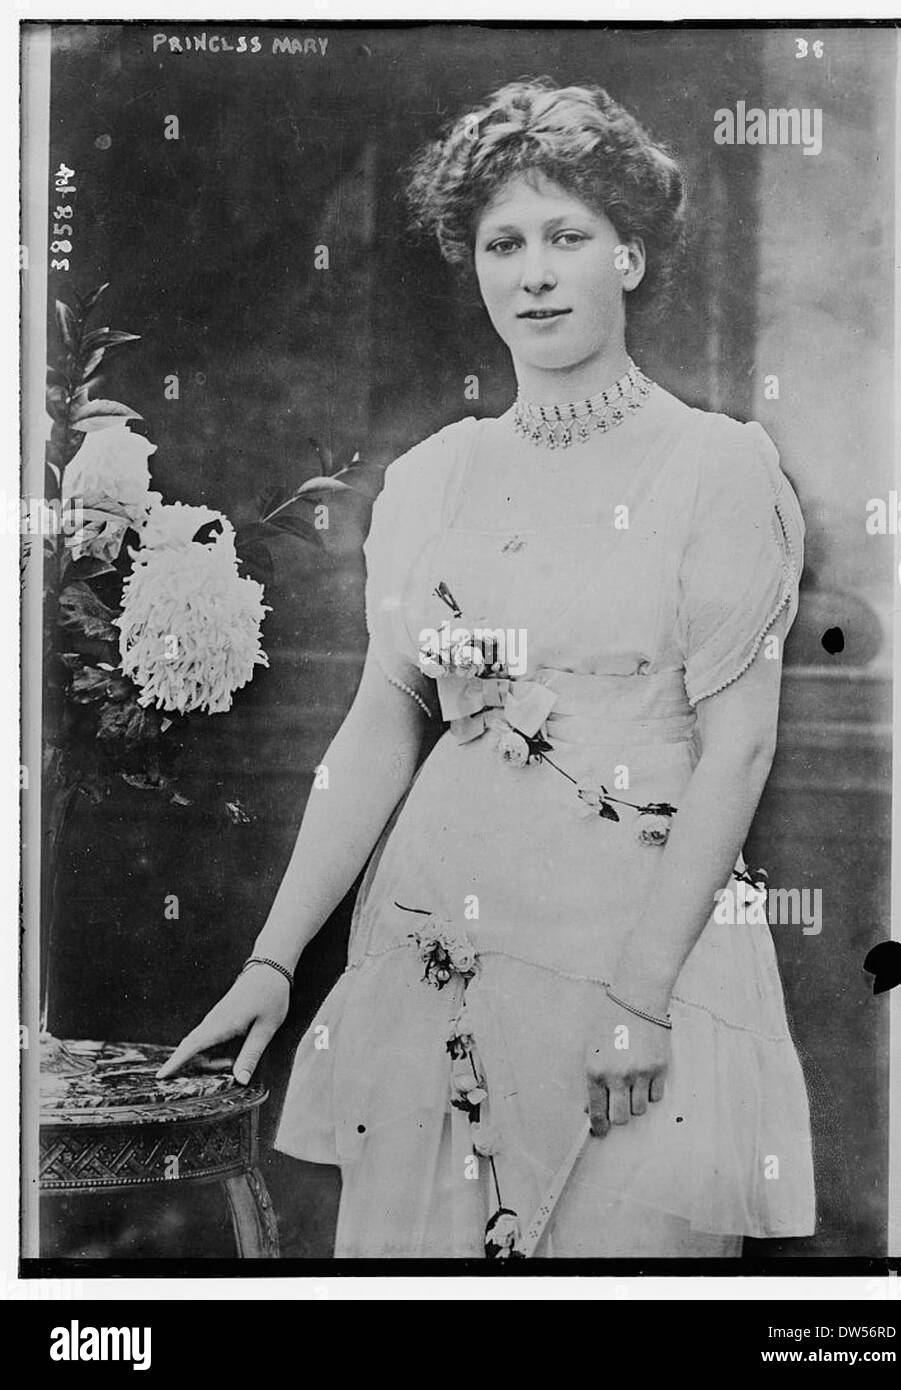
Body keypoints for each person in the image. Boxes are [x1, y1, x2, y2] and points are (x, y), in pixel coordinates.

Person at [158, 78, 816, 1259]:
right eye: (502, 243)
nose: (535, 271)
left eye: (568, 236)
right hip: (439, 951)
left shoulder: (714, 469)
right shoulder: (431, 482)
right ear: (473, 266)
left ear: (629, 254)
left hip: (636, 956)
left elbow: (743, 744)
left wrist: (641, 997)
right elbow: (378, 728)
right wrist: (272, 955)